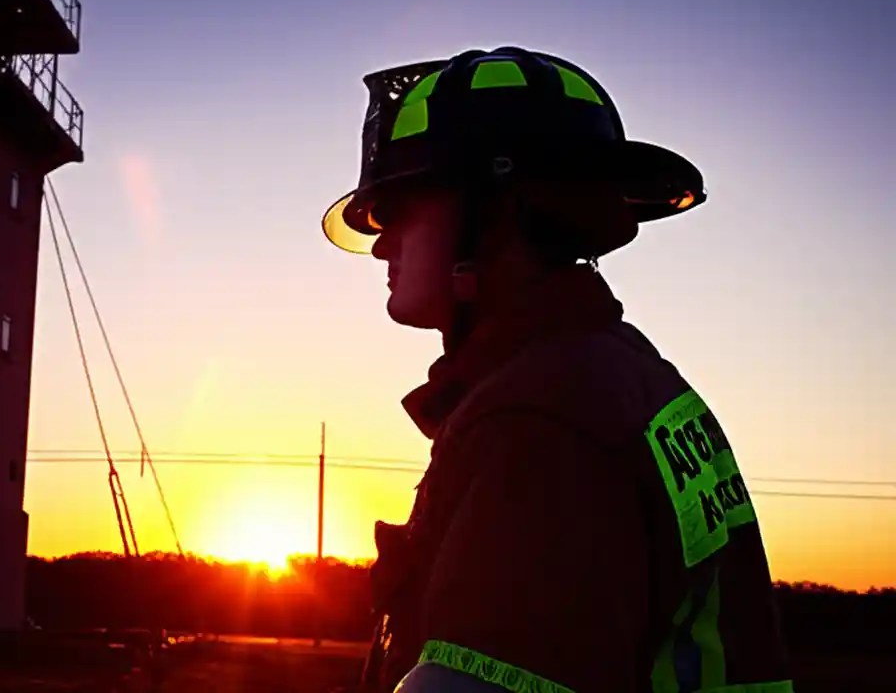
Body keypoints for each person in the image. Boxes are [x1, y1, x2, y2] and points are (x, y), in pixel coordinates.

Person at [321, 47, 794, 693]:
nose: (381, 241)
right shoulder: (619, 378)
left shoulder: (541, 419)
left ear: (498, 211)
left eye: (404, 204)